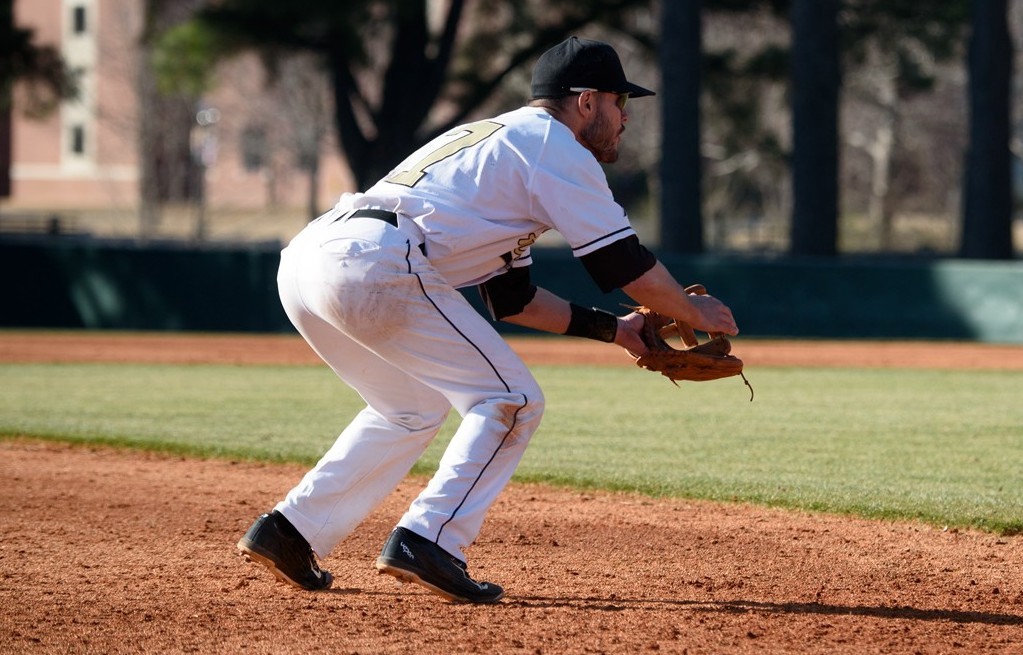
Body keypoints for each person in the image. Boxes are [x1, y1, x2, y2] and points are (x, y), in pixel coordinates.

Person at [237, 35, 738, 604]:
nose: (625, 116)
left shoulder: (502, 147)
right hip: (375, 260)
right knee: (512, 400)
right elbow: (626, 265)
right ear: (586, 101)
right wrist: (692, 309)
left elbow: (514, 298)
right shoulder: (556, 148)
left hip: (313, 258)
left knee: (411, 409)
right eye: (620, 101)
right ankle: (428, 539)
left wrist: (617, 331)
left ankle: (290, 531)